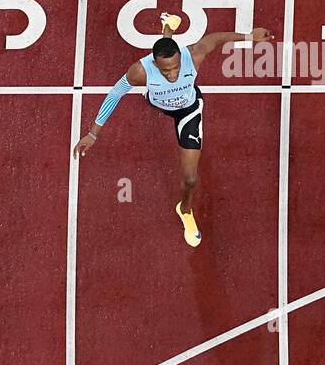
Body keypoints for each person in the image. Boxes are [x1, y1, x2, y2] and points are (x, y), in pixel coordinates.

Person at [72, 13, 272, 247]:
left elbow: (215, 39)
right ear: (155, 64)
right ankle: (167, 28)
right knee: (159, 63)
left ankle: (185, 210)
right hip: (158, 102)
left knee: (189, 179)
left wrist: (250, 36)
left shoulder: (193, 55)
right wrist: (93, 132)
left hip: (187, 111)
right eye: (166, 71)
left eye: (176, 68)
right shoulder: (140, 71)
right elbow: (116, 92)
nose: (173, 74)